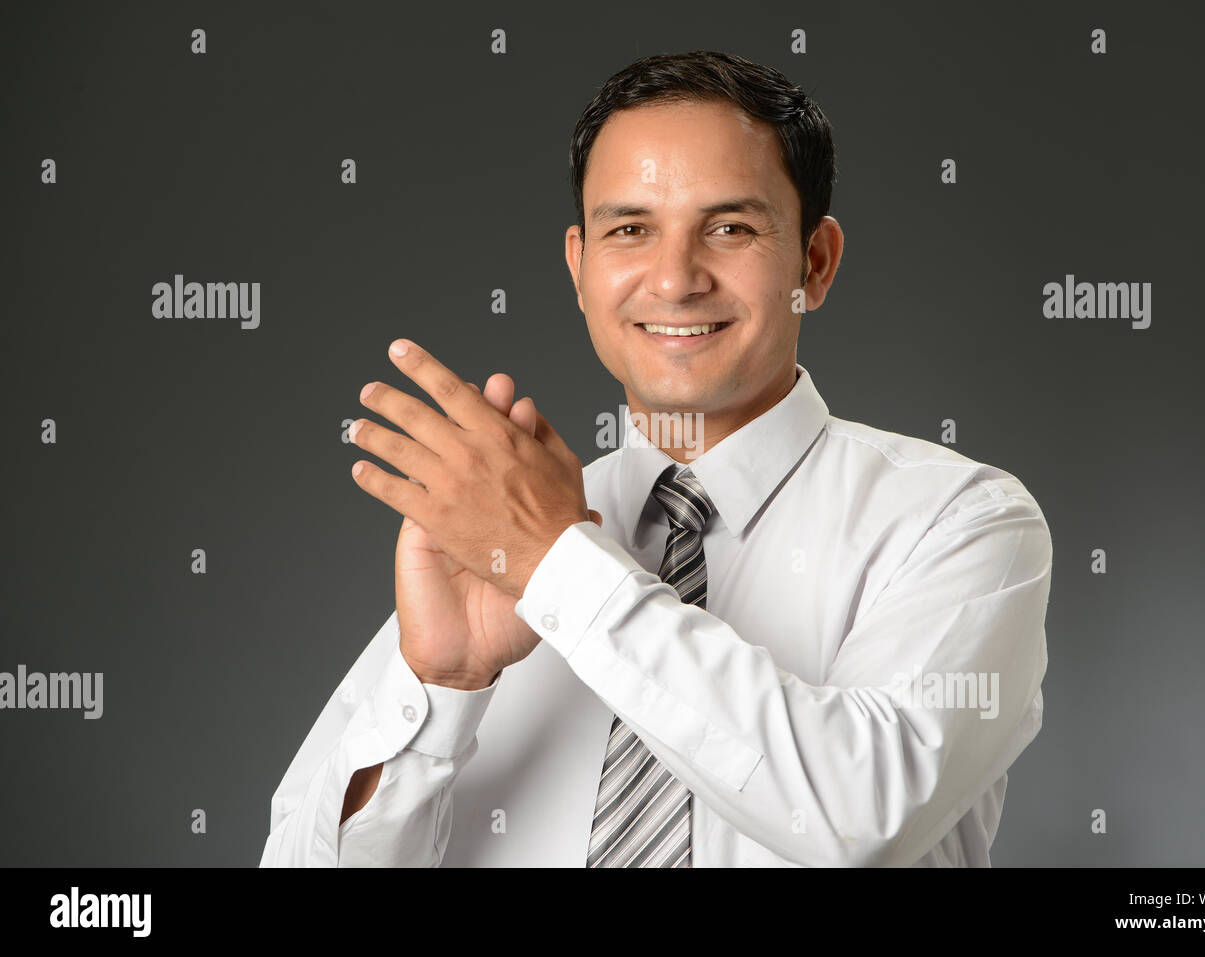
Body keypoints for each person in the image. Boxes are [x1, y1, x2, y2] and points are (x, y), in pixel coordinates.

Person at [259, 50, 1051, 868]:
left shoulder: (965, 520)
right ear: (579, 265)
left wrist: (556, 566)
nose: (674, 279)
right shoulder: (499, 536)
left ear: (813, 264)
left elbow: (862, 816)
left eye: (730, 228)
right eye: (630, 229)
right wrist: (439, 687)